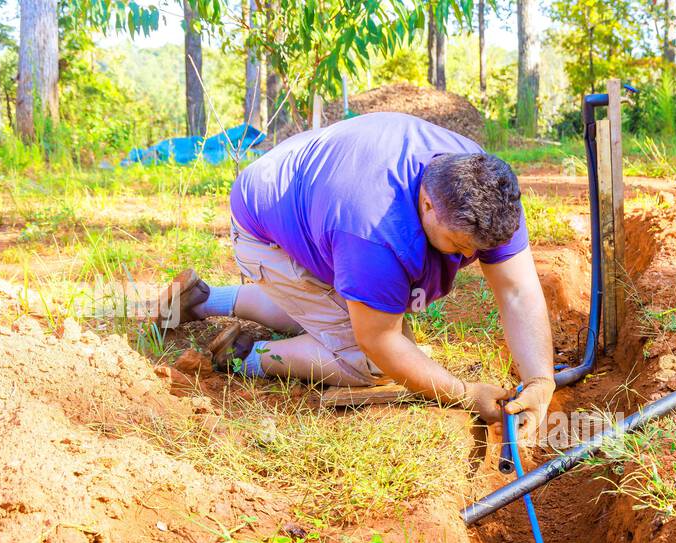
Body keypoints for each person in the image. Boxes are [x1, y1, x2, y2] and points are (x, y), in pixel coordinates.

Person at [159, 111, 555, 443]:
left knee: (336, 308)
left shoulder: (488, 190)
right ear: (428, 204)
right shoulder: (375, 234)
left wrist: (540, 379)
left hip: (308, 192)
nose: (470, 257)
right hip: (265, 228)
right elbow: (380, 341)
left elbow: (518, 291)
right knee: (369, 363)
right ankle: (248, 357)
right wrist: (467, 394)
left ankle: (203, 299)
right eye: (459, 245)